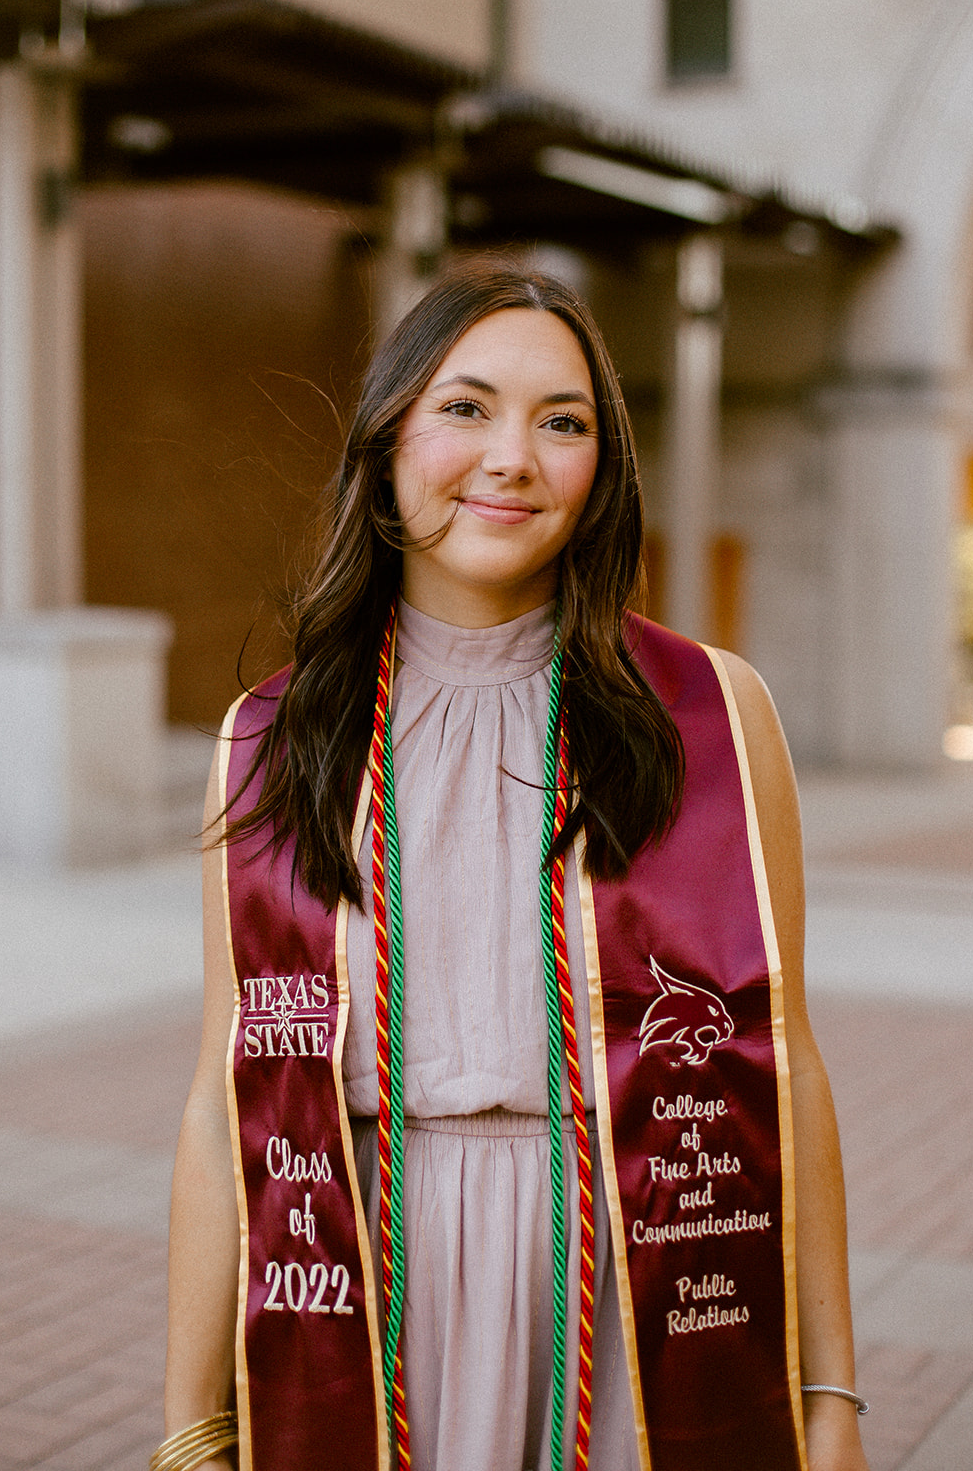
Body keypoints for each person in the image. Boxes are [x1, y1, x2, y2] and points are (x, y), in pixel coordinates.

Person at [157, 265, 871, 1471]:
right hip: (365, 1280)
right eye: (465, 407)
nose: (512, 458)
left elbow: (778, 1052)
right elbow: (228, 1097)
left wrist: (829, 1397)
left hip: (630, 1268)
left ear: (603, 471)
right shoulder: (275, 738)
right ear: (387, 442)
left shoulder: (706, 712)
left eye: (563, 422)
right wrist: (193, 1426)